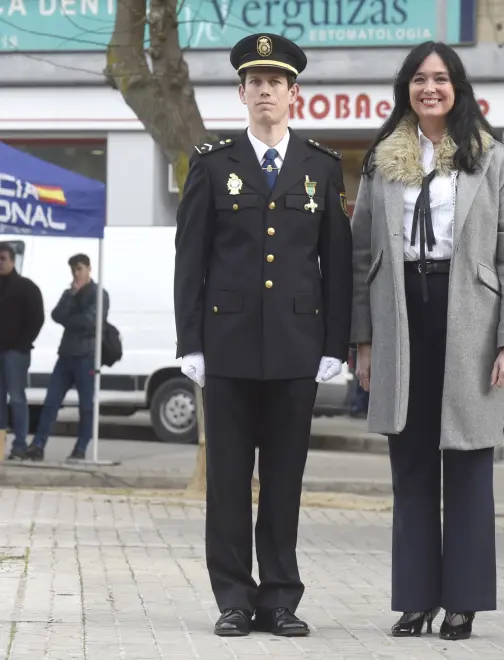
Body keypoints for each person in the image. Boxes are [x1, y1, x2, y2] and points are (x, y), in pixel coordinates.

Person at [350, 41, 504, 641]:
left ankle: (463, 601)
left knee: (468, 463)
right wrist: (364, 341)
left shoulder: (493, 157)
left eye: (441, 78)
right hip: (400, 312)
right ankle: (415, 599)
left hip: (471, 320)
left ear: (459, 86)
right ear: (406, 87)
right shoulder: (381, 159)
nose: (430, 88)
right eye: (419, 79)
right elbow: (361, 257)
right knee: (409, 463)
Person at [173, 33, 353, 637]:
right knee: (227, 480)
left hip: (298, 349)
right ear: (242, 92)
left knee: (284, 479)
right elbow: (189, 259)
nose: (266, 91)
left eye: (276, 82)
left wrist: (335, 345)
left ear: (294, 93)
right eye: (256, 82)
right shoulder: (212, 163)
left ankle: (279, 597)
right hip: (226, 347)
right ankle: (232, 596)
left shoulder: (321, 168)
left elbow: (338, 262)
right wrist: (190, 342)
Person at [25, 253, 108, 462]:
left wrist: (69, 319)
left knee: (86, 406)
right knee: (51, 402)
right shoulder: (69, 293)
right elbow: (56, 315)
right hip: (66, 355)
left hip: (87, 356)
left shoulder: (99, 294)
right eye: (73, 270)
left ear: (89, 269)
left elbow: (91, 321)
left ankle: (80, 448)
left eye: (80, 269)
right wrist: (72, 295)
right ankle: (38, 445)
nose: (76, 274)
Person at [0, 243, 44, 460]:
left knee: (16, 397)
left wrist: (21, 342)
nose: (0, 263)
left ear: (13, 260)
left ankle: (19, 445)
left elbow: (37, 318)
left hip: (16, 353)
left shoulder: (26, 287)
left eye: (3, 258)